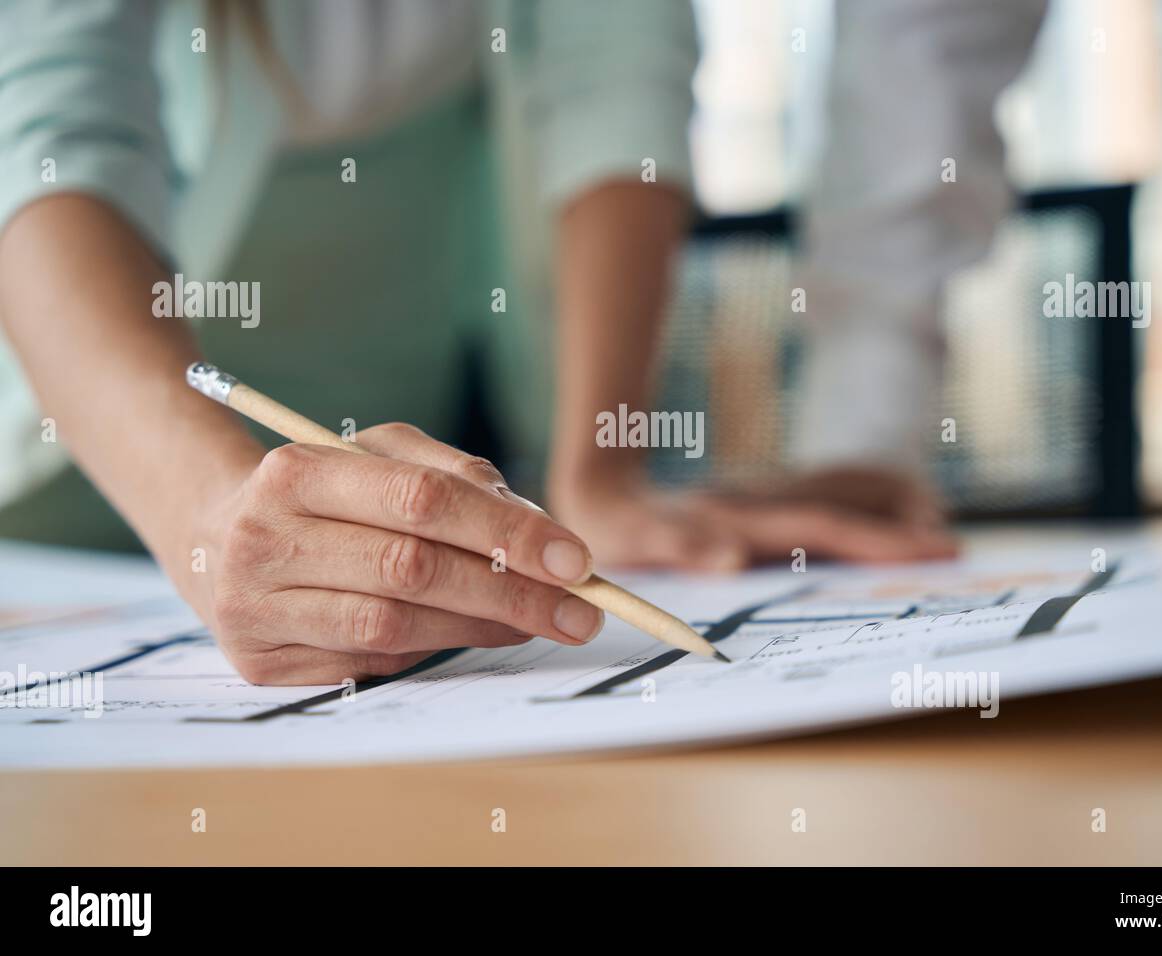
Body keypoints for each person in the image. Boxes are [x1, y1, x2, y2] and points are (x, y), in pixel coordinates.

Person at [0, 0, 954, 685]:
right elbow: (50, 133)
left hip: (395, 380)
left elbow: (616, 81)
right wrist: (207, 512)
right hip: (90, 421)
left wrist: (599, 480)